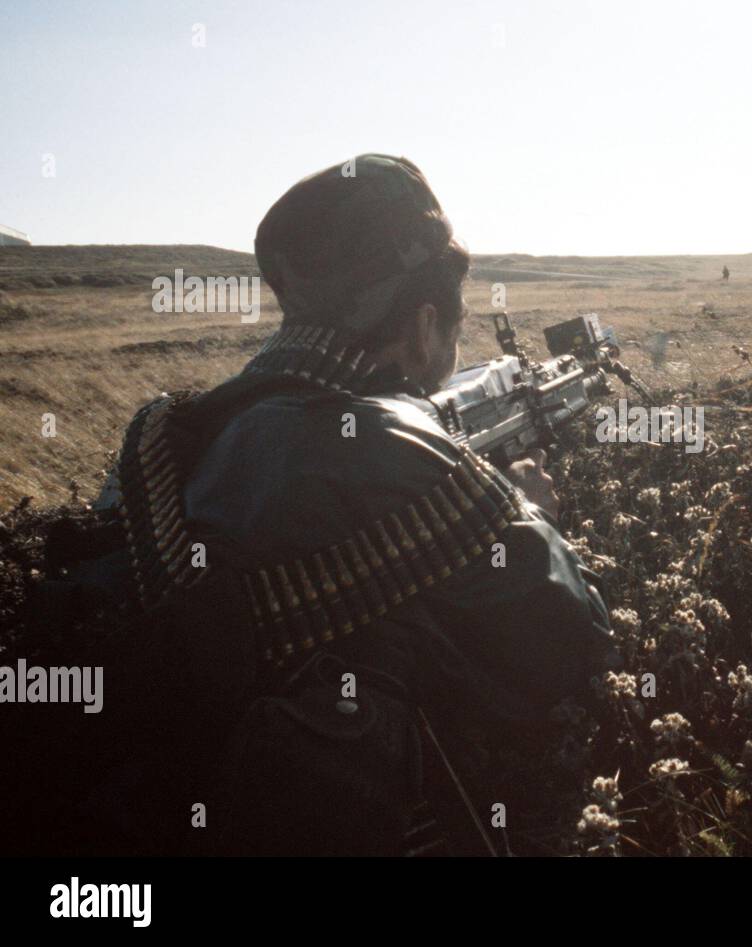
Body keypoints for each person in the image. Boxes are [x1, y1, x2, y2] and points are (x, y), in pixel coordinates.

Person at [78, 154, 617, 856]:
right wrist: (531, 509)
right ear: (425, 325)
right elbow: (570, 641)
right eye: (449, 334)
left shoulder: (168, 435)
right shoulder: (398, 452)